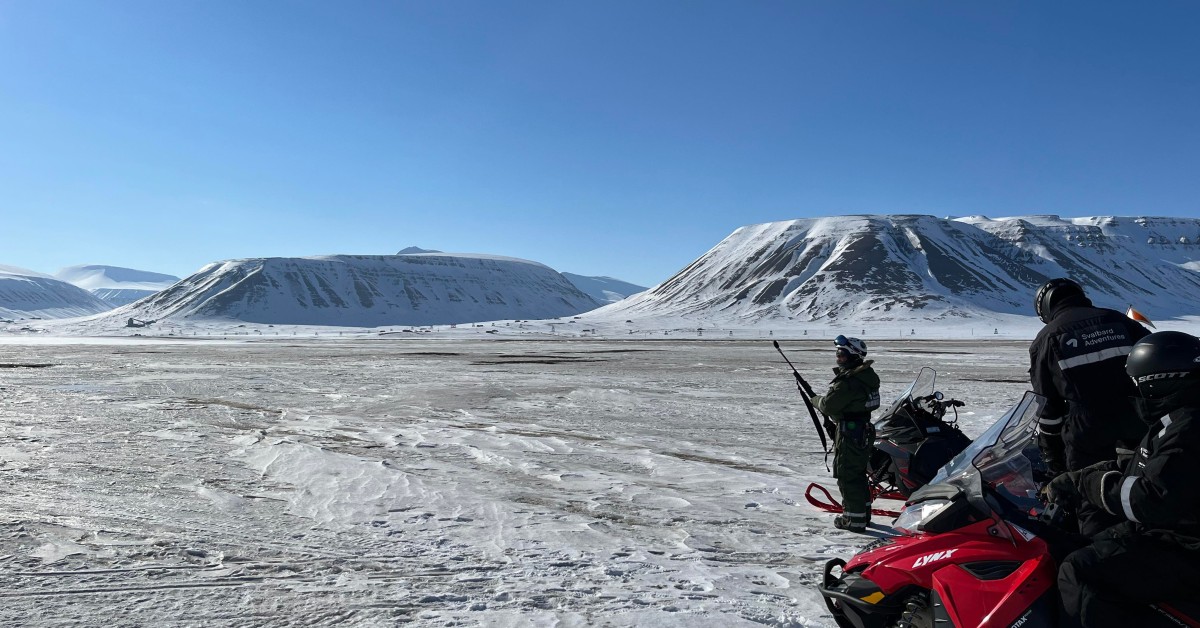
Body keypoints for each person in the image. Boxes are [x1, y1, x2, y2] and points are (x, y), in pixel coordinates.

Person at [1049, 331, 1200, 627]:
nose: (1134, 393)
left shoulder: (1189, 427)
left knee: (1078, 570)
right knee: (1075, 545)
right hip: (1178, 535)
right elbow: (1150, 464)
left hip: (1186, 548)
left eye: (1137, 384)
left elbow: (1151, 498)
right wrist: (1088, 474)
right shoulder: (1181, 418)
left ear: (1156, 381)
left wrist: (1084, 484)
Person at [1029, 279, 1150, 498]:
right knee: (1144, 490)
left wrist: (1054, 462)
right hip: (1139, 422)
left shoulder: (1047, 338)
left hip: (1086, 432)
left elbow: (1047, 409)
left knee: (1089, 495)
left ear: (1045, 307)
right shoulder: (1120, 320)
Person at [811, 335, 881, 532]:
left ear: (853, 356)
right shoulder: (866, 376)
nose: (838, 358)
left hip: (851, 433)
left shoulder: (849, 382)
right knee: (857, 474)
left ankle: (854, 521)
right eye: (838, 354)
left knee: (847, 475)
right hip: (862, 430)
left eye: (842, 355)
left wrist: (814, 399)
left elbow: (827, 405)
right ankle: (863, 515)